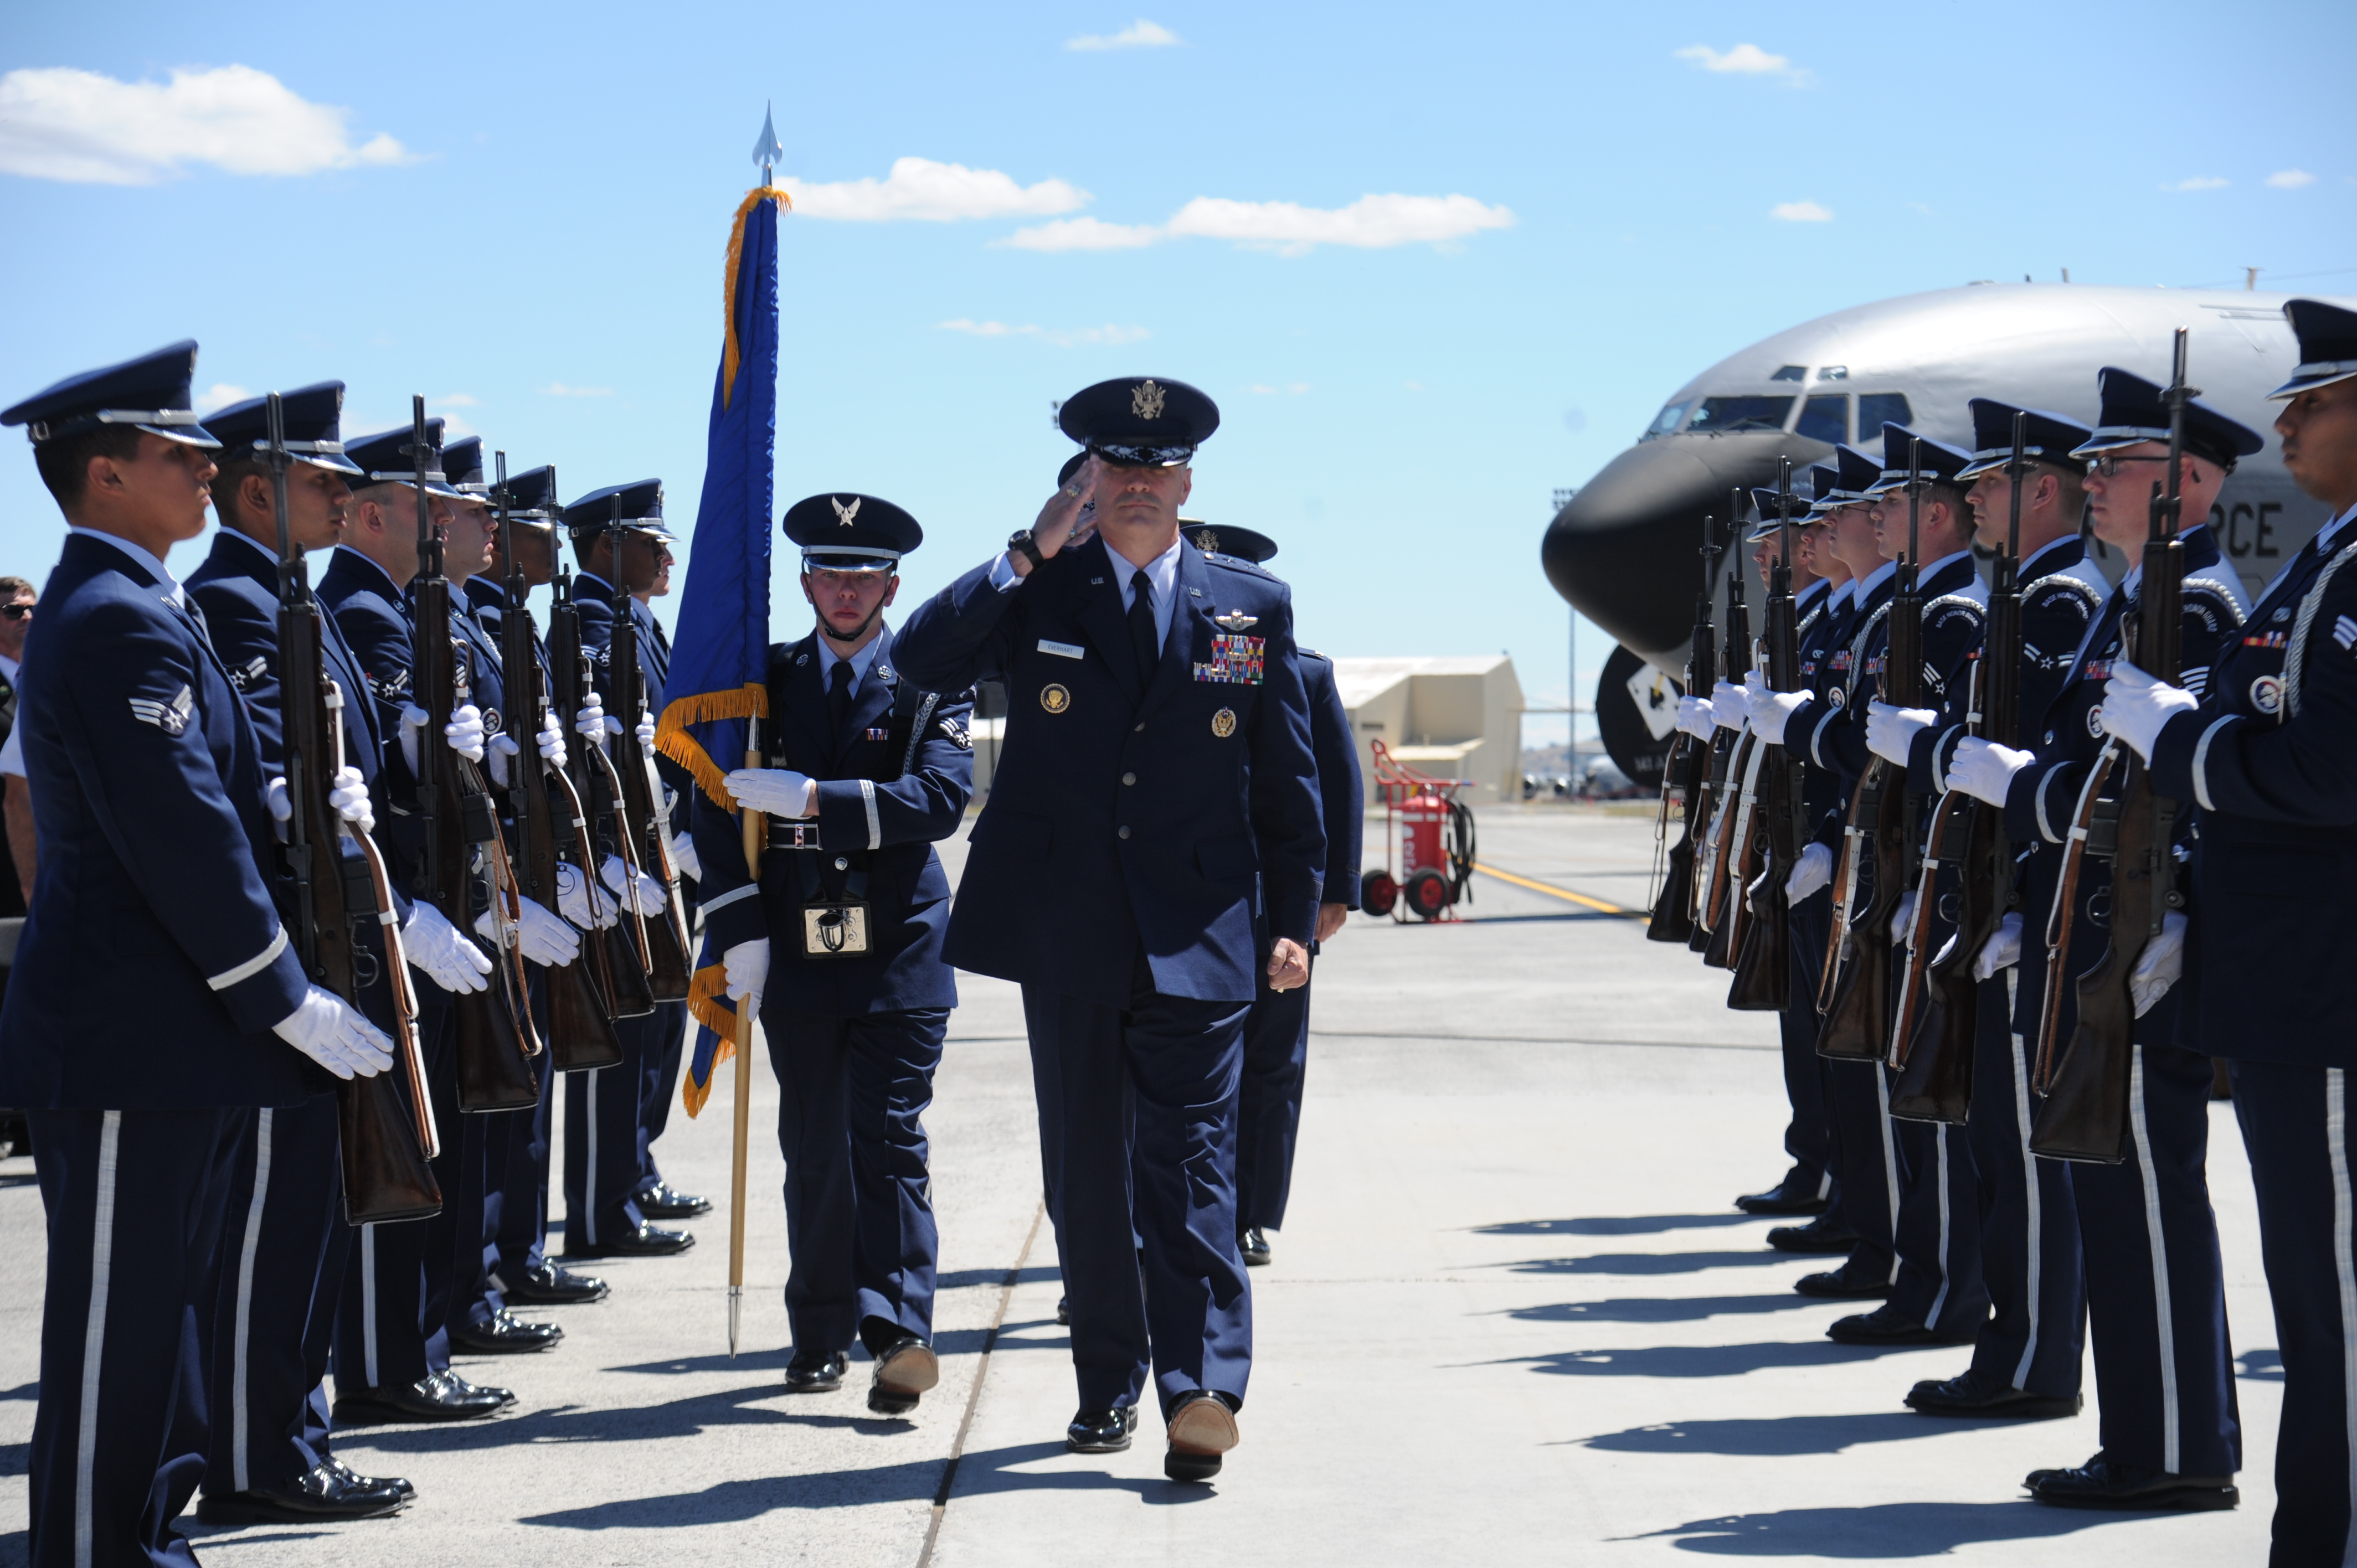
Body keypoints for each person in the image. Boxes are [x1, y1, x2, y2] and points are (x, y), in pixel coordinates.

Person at [0, 341, 395, 1567]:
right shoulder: (115, 617)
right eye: (180, 454)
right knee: (121, 1318)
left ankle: (138, 1535)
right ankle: (90, 1548)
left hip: (174, 1031)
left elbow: (217, 801)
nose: (207, 466)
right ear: (105, 475)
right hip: (128, 1031)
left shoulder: (145, 604)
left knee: (164, 1304)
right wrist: (284, 993)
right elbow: (178, 835)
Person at [891, 376, 1326, 1482]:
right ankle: (1105, 1388)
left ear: (1185, 480)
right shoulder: (1041, 591)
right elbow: (919, 663)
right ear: (1086, 480)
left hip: (1203, 927)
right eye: (1113, 467)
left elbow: (1285, 783)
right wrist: (1023, 556)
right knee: (1087, 1169)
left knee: (1186, 1168)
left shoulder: (1250, 603)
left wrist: (1293, 923)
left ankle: (1201, 1390)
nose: (1135, 484)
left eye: (1154, 467)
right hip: (1067, 930)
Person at [1946, 365, 2257, 1510]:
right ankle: (2152, 1438)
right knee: (2112, 1196)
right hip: (2090, 935)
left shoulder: (2205, 609)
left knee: (2149, 1198)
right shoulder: (2136, 602)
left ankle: (2176, 1449)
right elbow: (2096, 781)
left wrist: (2174, 911)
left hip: (2133, 948)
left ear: (2182, 483)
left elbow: (2172, 789)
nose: (2088, 484)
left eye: (2112, 468)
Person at [2101, 296, 2357, 1562]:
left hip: (2325, 999)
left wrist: (2179, 742)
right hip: (2281, 993)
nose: (2289, 422)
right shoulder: (2327, 557)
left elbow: (2328, 774)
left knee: (2337, 1313)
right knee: (2314, 1309)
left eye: (2314, 401)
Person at [187, 382, 457, 1520]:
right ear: (259, 491)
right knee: (267, 1225)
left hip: (329, 940)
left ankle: (292, 1436)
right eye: (324, 484)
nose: (346, 502)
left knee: (303, 1211)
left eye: (353, 487)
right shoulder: (237, 602)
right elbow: (252, 764)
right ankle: (260, 1459)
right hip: (286, 953)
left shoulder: (293, 600)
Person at [699, 492, 975, 1414]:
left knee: (888, 1137)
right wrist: (736, 925)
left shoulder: (935, 678)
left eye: (865, 574)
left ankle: (900, 1331)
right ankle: (818, 1331)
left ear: (893, 584)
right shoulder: (760, 681)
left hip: (898, 940)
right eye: (829, 571)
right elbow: (707, 800)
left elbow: (940, 799)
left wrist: (817, 798)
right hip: (796, 943)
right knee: (813, 1143)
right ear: (806, 581)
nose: (847, 589)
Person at [1878, 400, 2106, 1422]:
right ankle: (2012, 1347)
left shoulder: (2059, 605)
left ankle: (2032, 1360)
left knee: (2026, 1158)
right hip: (1995, 901)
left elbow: (2050, 769)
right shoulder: (2030, 595)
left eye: (1990, 484)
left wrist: (2017, 899)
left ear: (2041, 490)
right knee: (1995, 1149)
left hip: (2033, 911)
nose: (1972, 499)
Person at [1748, 425, 1990, 1349]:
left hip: (1905, 870)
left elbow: (1880, 750)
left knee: (1910, 1082)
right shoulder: (1872, 613)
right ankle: (1877, 1233)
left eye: (1877, 506)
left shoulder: (1951, 614)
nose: (1800, 545)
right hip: (1855, 863)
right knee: (1854, 1056)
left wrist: (1804, 746)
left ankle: (1907, 1258)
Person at [318, 415, 520, 1424]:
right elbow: (389, 799)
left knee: (441, 1128)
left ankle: (420, 1341)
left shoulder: (400, 609)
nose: (446, 528)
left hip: (434, 904)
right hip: (398, 914)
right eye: (427, 510)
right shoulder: (362, 614)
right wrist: (416, 910)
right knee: (402, 1134)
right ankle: (387, 1360)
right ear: (372, 514)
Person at [1180, 522, 1361, 1268]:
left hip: (1277, 895)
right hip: (1196, 895)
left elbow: (1337, 785)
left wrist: (1333, 894)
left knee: (1270, 1063)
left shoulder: (1307, 673)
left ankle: (1250, 1213)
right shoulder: (1176, 670)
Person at [467, 462, 616, 1311]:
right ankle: (489, 1268)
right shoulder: (471, 622)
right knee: (497, 1091)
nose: (544, 541)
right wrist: (506, 888)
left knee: (527, 1078)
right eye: (531, 528)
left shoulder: (508, 621)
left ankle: (511, 1255)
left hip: (528, 883)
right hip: (488, 897)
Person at [561, 480, 704, 1259]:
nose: (667, 555)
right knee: (619, 1039)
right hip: (618, 867)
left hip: (660, 853)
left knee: (656, 1029)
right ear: (607, 548)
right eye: (652, 543)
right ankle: (599, 1207)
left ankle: (634, 1171)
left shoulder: (634, 619)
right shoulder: (590, 621)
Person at [1722, 473, 1839, 1221]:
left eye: (1779, 541)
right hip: (1798, 850)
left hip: (1833, 854)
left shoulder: (1830, 620)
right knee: (1802, 1026)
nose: (1766, 555)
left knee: (1828, 1029)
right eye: (1763, 543)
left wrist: (1823, 844)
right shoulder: (1811, 619)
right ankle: (1819, 1164)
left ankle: (1839, 1180)